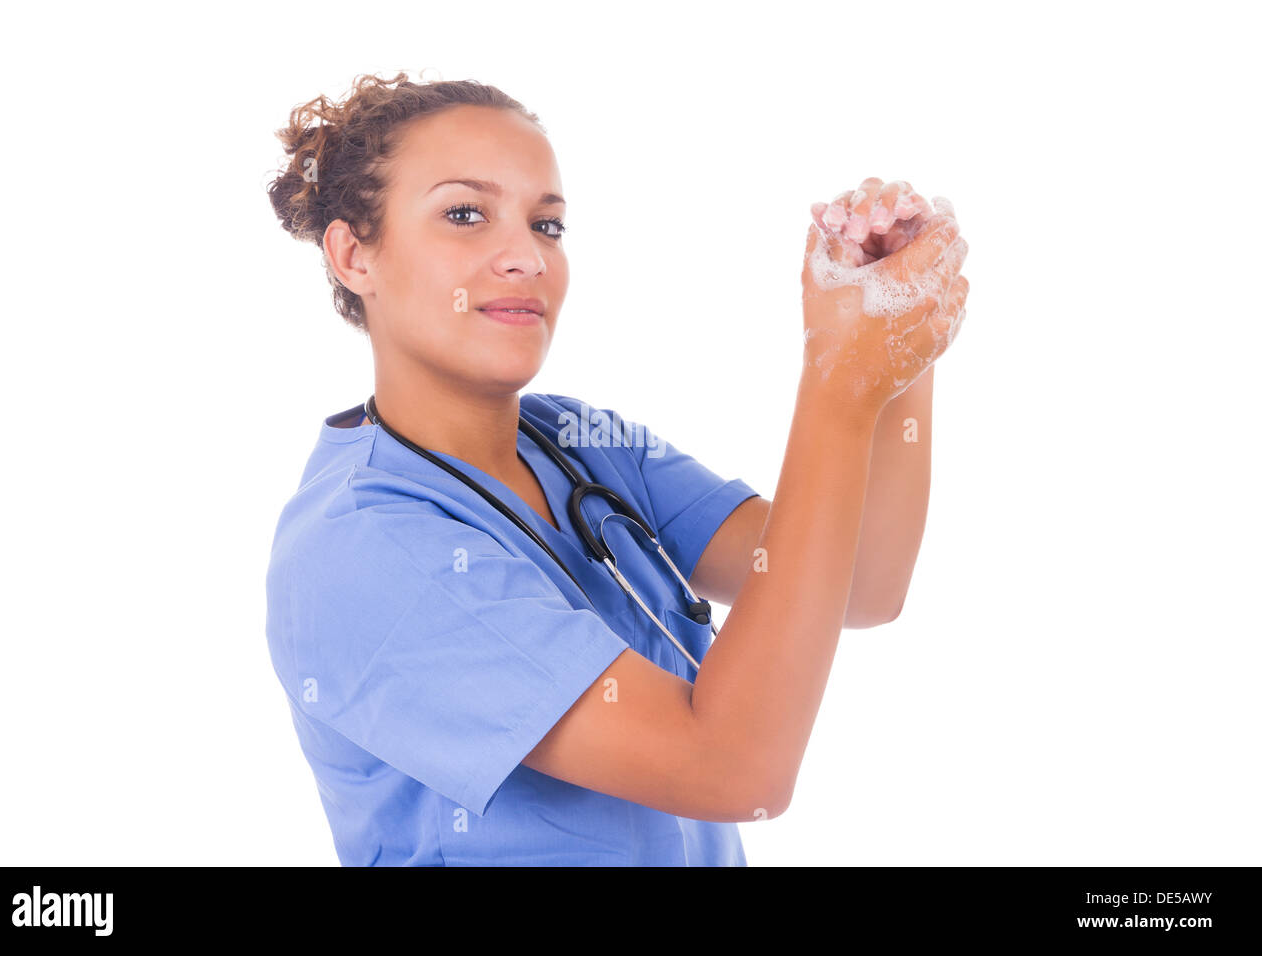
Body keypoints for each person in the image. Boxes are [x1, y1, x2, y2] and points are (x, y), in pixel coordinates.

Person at [263, 71, 969, 866]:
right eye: (465, 214)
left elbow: (864, 582)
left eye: (547, 225)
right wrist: (836, 384)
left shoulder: (580, 440)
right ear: (354, 253)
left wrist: (899, 332)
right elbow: (738, 770)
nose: (524, 256)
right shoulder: (362, 550)